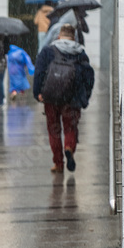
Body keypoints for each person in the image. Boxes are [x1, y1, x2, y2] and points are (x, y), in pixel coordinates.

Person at [32, 23, 95, 173]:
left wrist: (38, 93)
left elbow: (39, 73)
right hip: (72, 99)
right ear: (73, 38)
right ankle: (69, 148)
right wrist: (84, 96)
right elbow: (89, 77)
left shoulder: (48, 51)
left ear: (59, 36)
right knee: (70, 127)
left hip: (51, 97)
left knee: (54, 130)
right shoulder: (80, 53)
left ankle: (58, 163)